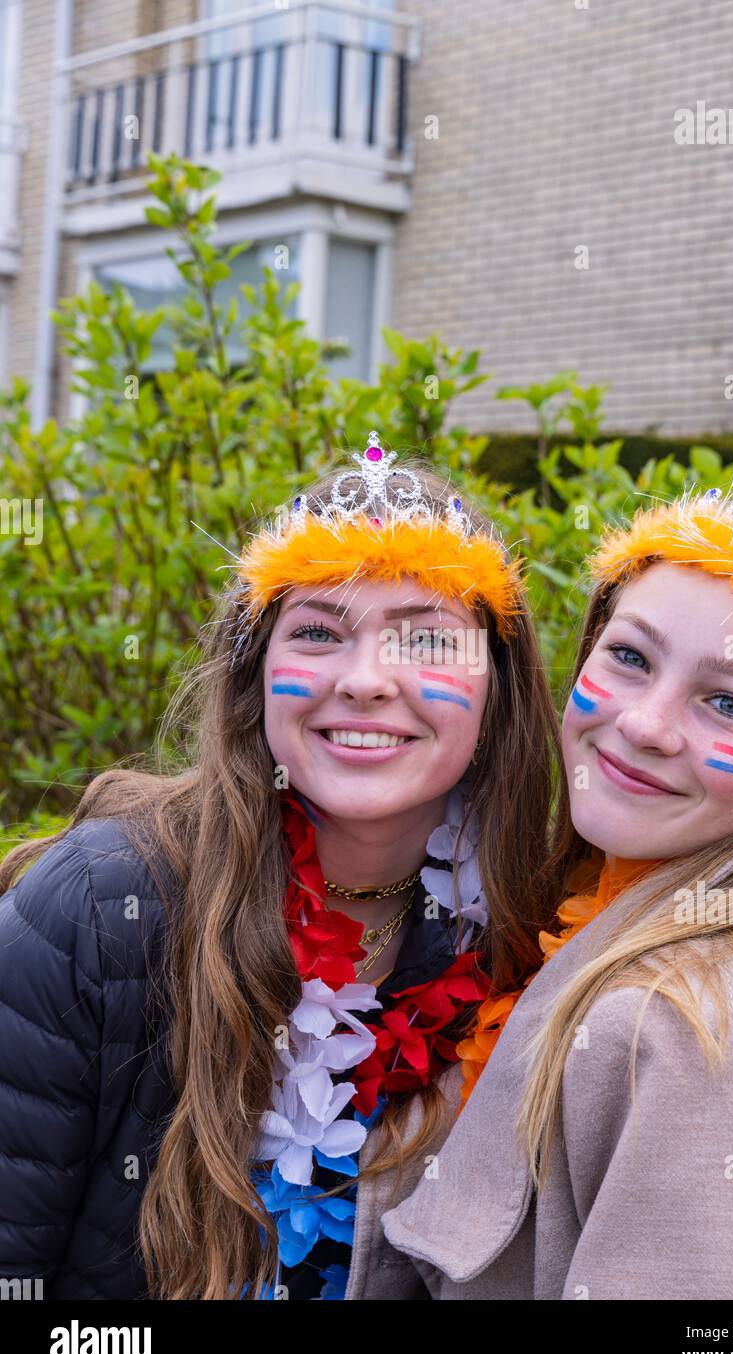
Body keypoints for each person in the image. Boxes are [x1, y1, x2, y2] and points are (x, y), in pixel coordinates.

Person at [0, 434, 562, 1299]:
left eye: (426, 642)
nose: (368, 680)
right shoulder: (98, 909)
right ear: (255, 672)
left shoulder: (534, 938)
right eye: (317, 633)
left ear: (498, 690)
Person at [383, 467, 733, 1299]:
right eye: (631, 658)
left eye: (727, 704)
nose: (642, 724)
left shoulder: (678, 1030)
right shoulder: (600, 918)